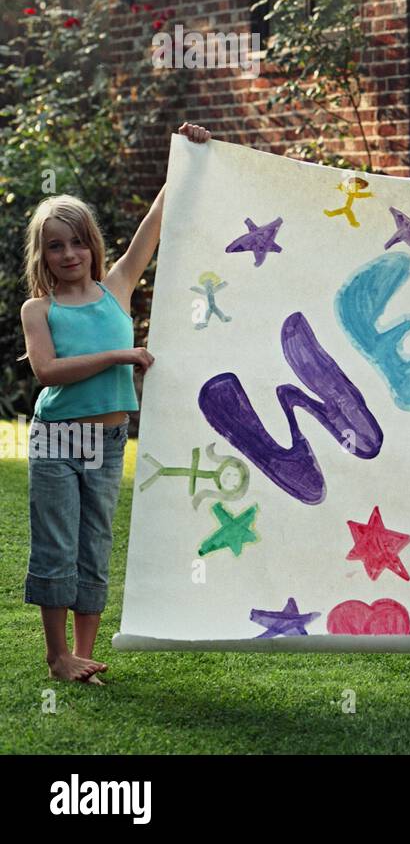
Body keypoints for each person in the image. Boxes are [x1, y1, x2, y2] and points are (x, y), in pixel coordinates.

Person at [20, 122, 211, 683]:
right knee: (56, 543)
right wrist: (121, 357)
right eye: (56, 246)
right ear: (43, 255)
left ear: (92, 244)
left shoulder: (119, 285)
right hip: (57, 437)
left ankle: (85, 653)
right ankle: (57, 658)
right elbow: (47, 371)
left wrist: (186, 151)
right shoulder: (39, 309)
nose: (69, 253)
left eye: (78, 241)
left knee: (95, 542)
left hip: (106, 439)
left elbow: (156, 224)